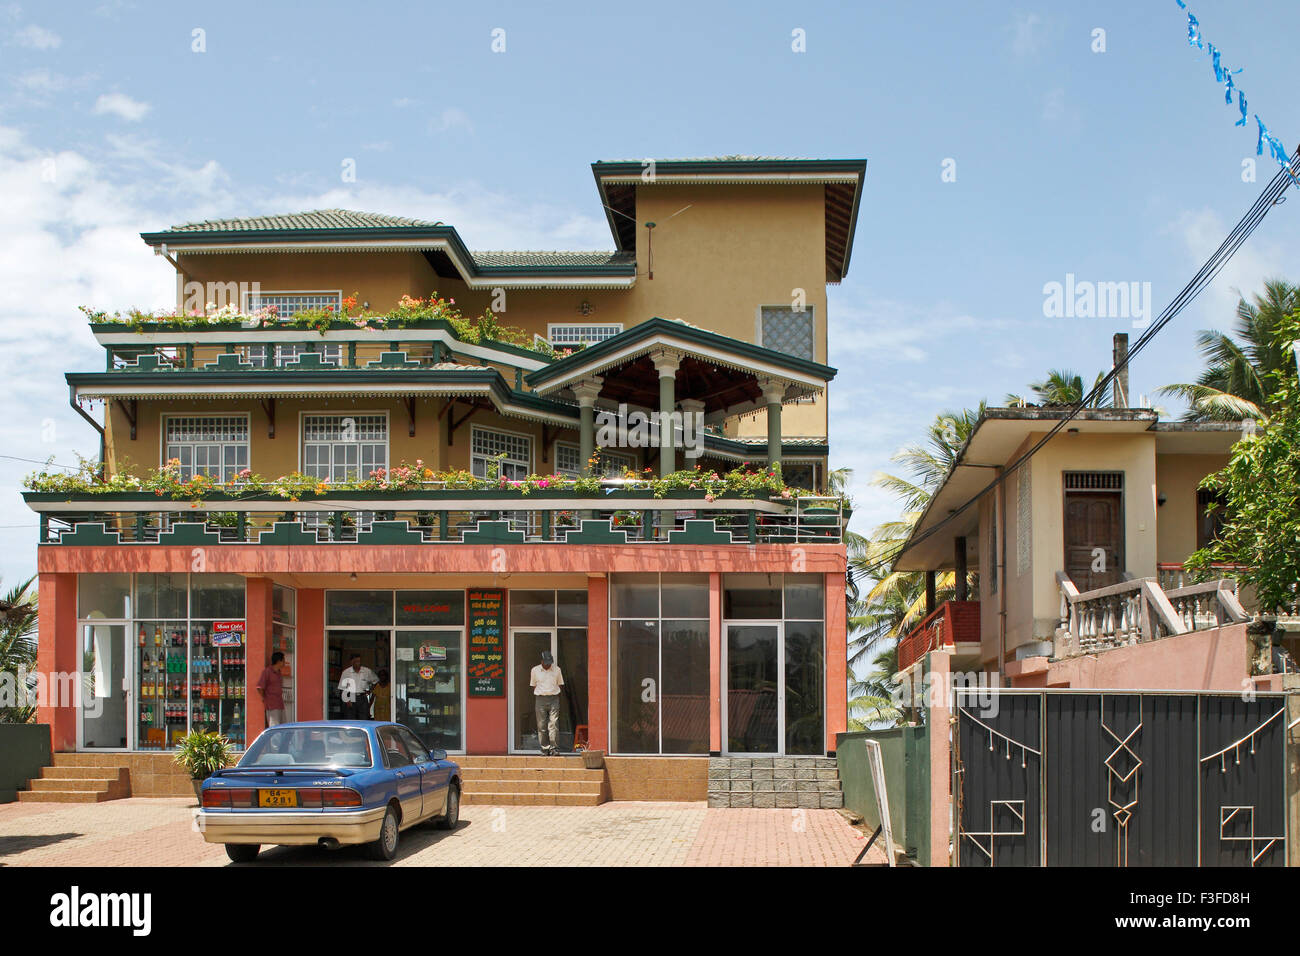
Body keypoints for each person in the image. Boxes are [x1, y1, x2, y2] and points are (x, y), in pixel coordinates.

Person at [529, 649, 564, 756]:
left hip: (554, 699)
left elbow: (560, 684)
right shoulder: (535, 670)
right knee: (541, 725)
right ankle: (545, 748)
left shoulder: (557, 670)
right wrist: (542, 693)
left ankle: (554, 748)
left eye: (550, 663)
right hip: (540, 699)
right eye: (546, 663)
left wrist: (554, 694)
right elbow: (533, 685)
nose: (548, 665)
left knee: (553, 723)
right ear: (542, 661)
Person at [338, 653, 378, 720]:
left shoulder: (367, 671)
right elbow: (342, 688)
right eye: (355, 661)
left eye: (359, 661)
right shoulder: (346, 672)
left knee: (364, 718)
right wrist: (347, 700)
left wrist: (370, 690)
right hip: (351, 696)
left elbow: (376, 681)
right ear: (351, 662)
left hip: (363, 697)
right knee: (350, 719)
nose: (358, 663)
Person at [257, 651, 288, 728]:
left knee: (283, 727)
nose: (284, 662)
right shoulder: (267, 672)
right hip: (272, 705)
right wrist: (265, 698)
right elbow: (260, 687)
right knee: (274, 727)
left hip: (280, 704)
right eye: (283, 660)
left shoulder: (279, 673)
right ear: (278, 661)